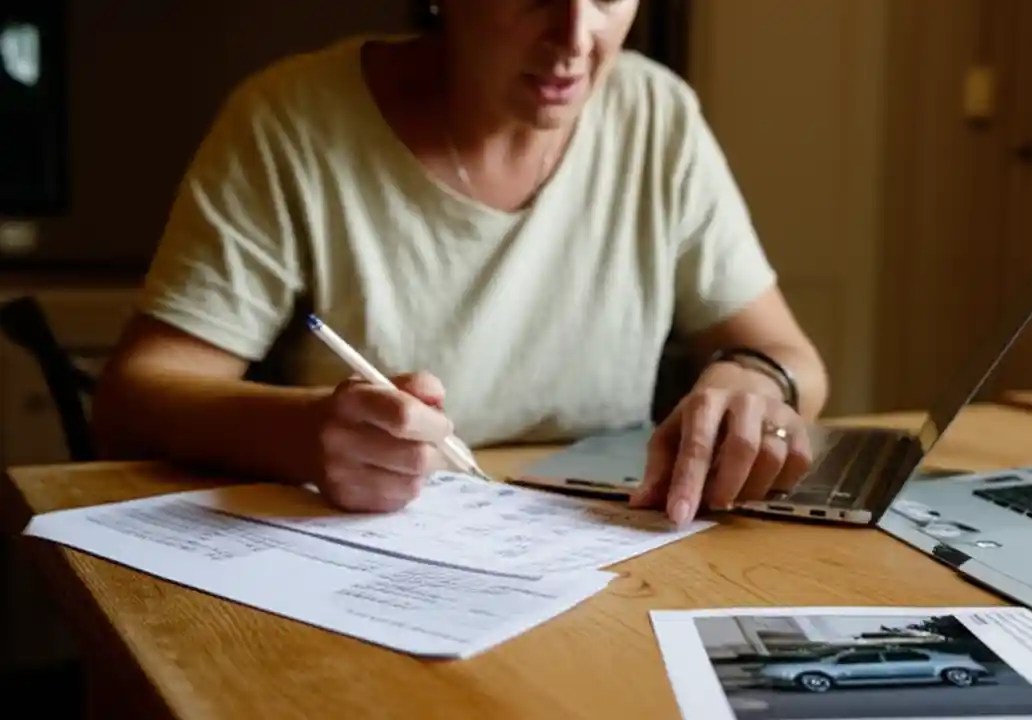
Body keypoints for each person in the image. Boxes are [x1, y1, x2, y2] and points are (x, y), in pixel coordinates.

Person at [91, 0, 829, 527]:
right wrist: (304, 434)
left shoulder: (656, 116)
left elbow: (792, 356)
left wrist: (753, 382)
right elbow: (134, 399)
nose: (577, 35)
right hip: (358, 574)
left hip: (602, 564)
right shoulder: (290, 123)